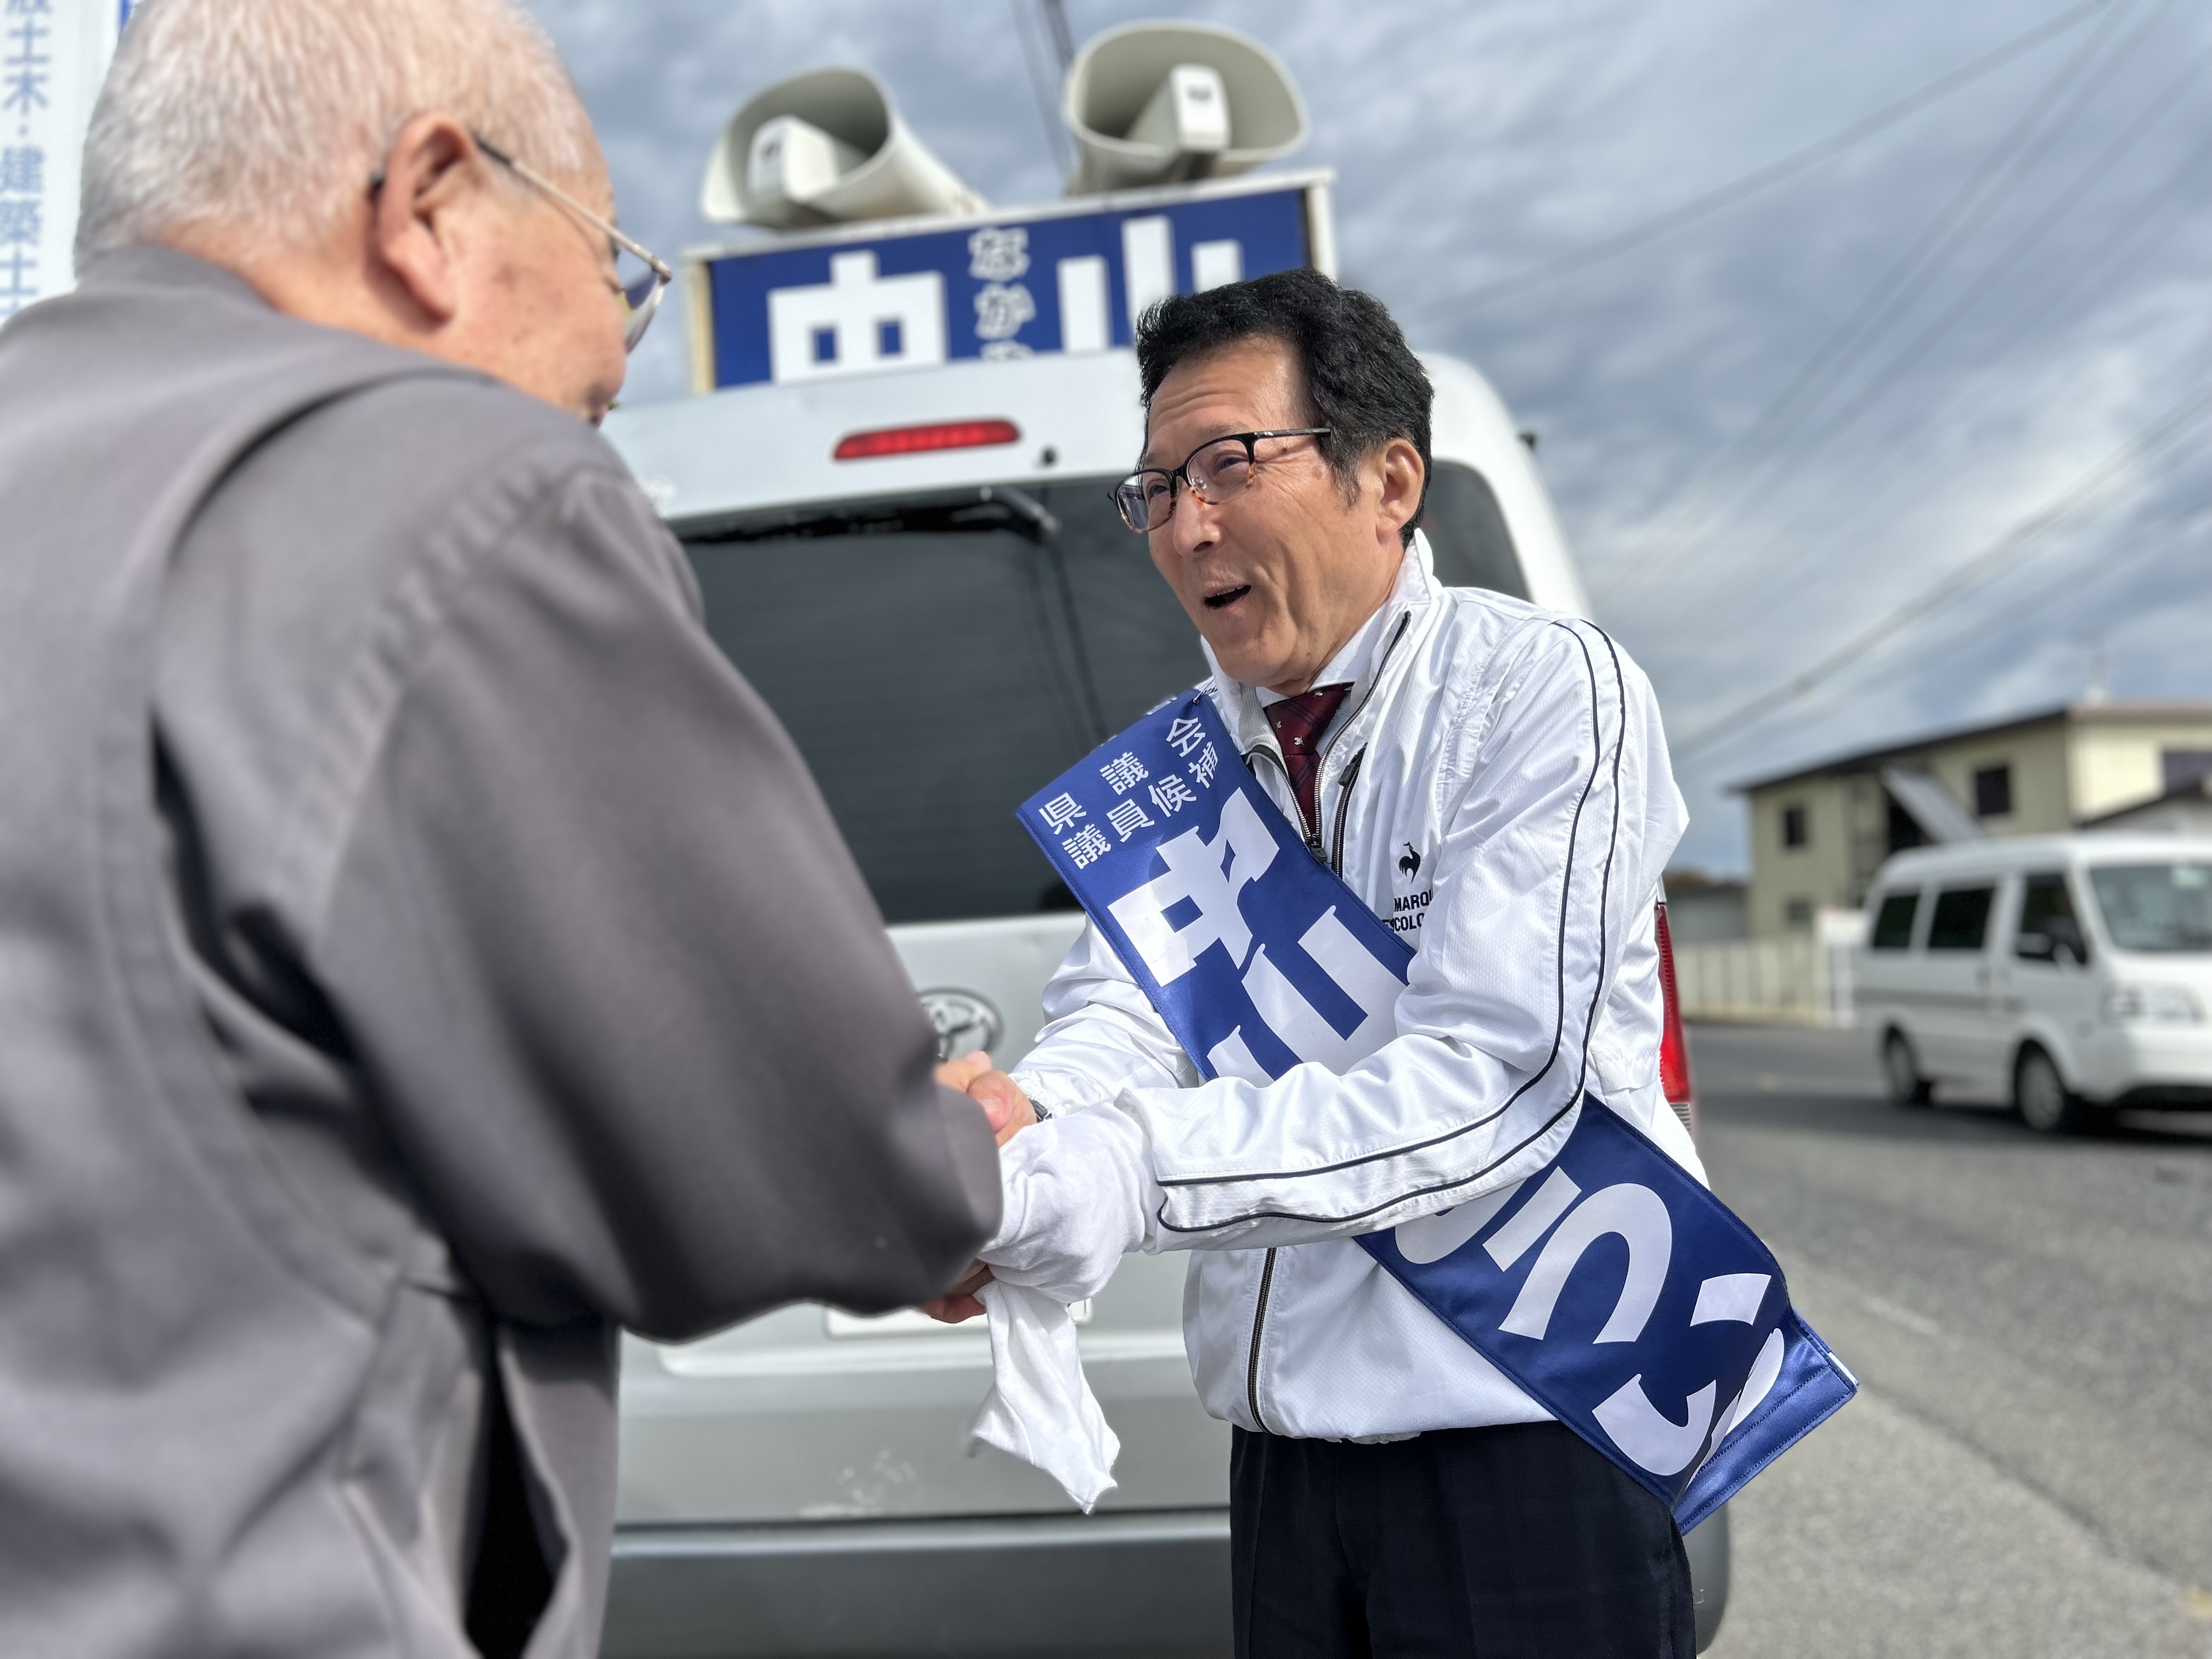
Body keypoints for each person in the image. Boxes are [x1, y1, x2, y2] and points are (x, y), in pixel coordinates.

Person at [0, 1, 1002, 1654]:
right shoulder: (443, 486)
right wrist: (961, 1157)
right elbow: (800, 1163)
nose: (618, 344)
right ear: (430, 204)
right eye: (615, 261)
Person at [936, 269, 1702, 1656]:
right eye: (1158, 486)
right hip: (1289, 1459)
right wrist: (1019, 1132)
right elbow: (1126, 1013)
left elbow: (1496, 1079)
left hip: (1526, 1430)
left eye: (1230, 464)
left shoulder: (1541, 691)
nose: (1188, 524)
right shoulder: (1183, 759)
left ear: (1388, 479)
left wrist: (1126, 1173)